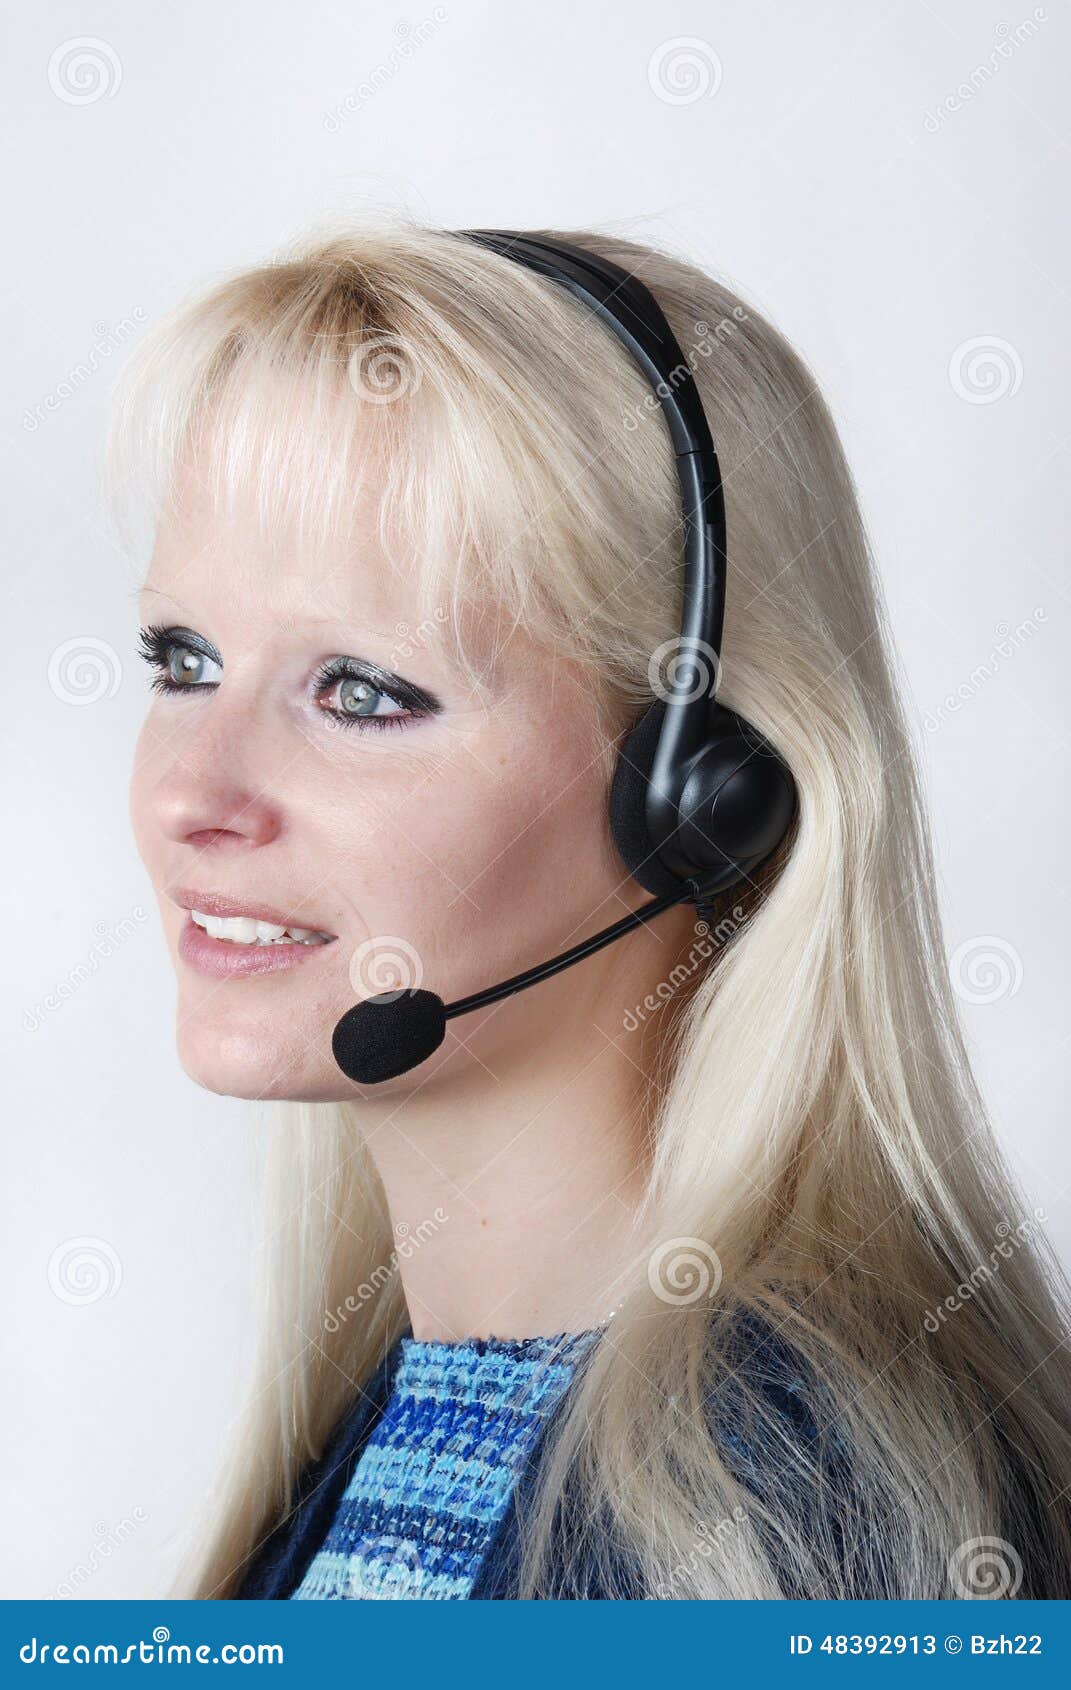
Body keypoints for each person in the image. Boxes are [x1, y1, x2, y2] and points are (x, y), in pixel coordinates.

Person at [112, 218, 1071, 1600]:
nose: (192, 793)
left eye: (363, 691)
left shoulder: (782, 1518)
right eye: (184, 657)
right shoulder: (380, 1426)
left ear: (700, 798)